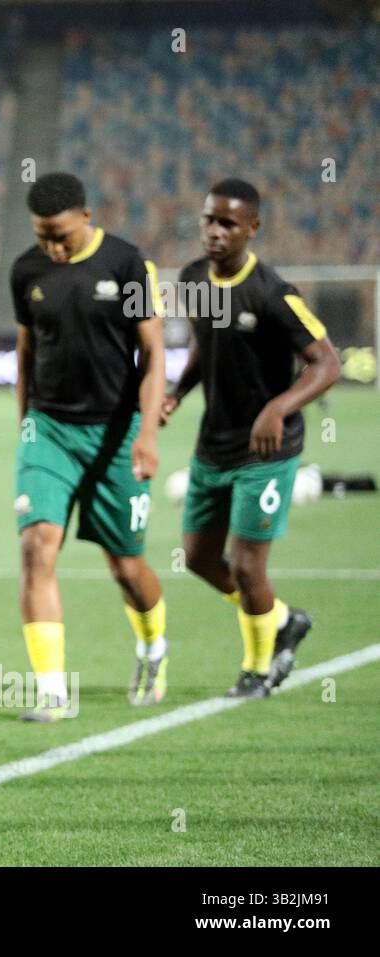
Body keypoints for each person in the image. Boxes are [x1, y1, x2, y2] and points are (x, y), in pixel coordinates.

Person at [164, 178, 340, 697]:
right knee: (197, 558)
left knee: (245, 566)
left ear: (252, 229)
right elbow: (206, 344)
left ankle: (258, 669)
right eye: (208, 220)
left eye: (228, 224)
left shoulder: (273, 293)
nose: (214, 232)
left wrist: (278, 408)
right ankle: (283, 620)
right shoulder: (193, 277)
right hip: (213, 443)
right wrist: (178, 392)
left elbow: (327, 363)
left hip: (266, 450)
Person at [10, 172, 168, 720]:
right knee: (36, 547)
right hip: (49, 429)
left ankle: (153, 645)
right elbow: (26, 352)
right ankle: (53, 690)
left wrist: (147, 434)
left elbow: (154, 356)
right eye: (41, 236)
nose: (52, 248)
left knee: (126, 567)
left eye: (60, 236)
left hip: (116, 430)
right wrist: (24, 423)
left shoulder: (127, 265)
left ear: (86, 216)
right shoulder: (26, 270)